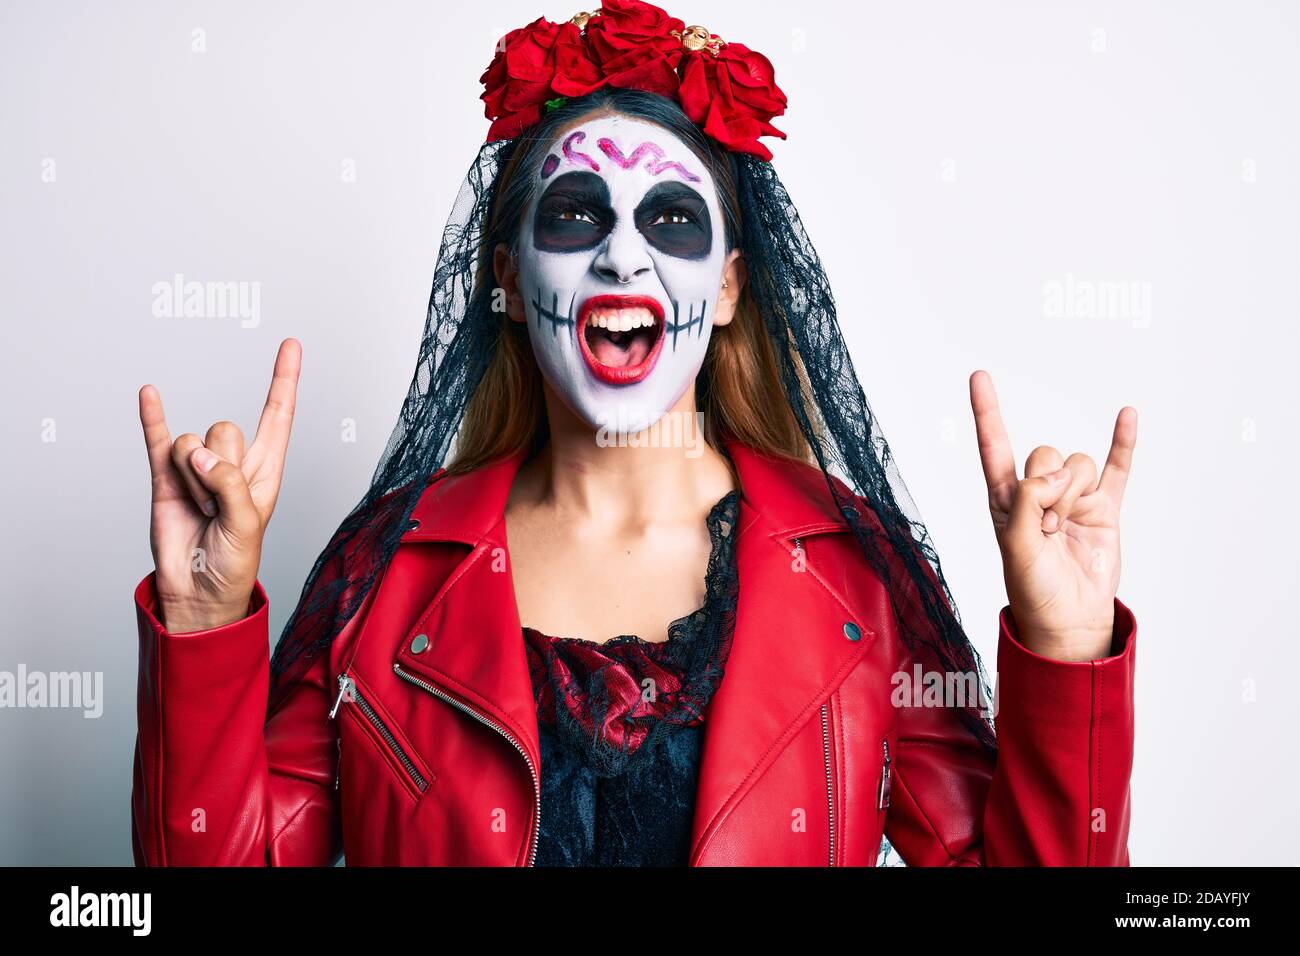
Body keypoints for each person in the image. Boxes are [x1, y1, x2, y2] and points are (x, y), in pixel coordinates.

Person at [130, 0, 1138, 867]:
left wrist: (1066, 646)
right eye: (573, 215)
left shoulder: (854, 574)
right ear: (511, 282)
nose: (621, 257)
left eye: (670, 221)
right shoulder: (383, 575)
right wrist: (203, 618)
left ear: (731, 284)